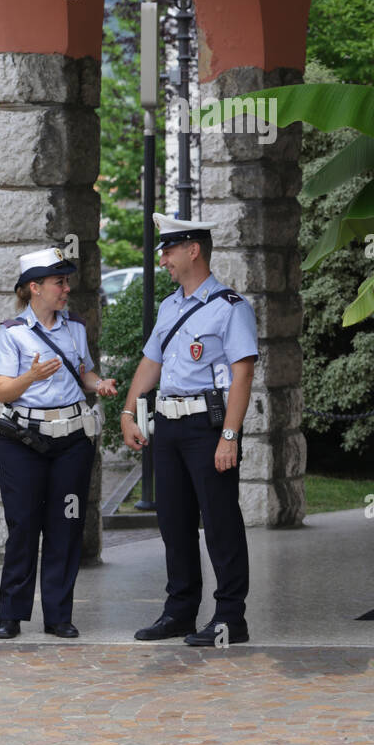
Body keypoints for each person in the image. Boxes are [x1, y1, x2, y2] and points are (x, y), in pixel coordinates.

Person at [121, 214, 258, 646]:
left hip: (207, 426)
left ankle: (230, 618)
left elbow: (243, 374)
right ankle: (179, 611)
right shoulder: (169, 306)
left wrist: (229, 437)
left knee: (220, 524)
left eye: (168, 250)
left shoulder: (231, 307)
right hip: (169, 426)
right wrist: (128, 412)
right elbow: (152, 362)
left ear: (193, 250)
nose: (162, 259)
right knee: (173, 523)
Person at [0, 246, 116, 640]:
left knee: (66, 526)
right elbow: (2, 392)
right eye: (58, 282)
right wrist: (30, 377)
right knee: (23, 525)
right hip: (24, 441)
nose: (66, 289)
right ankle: (11, 614)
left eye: (66, 281)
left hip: (71, 442)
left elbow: (85, 373)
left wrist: (100, 384)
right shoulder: (12, 333)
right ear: (34, 288)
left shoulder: (74, 327)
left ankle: (59, 615)